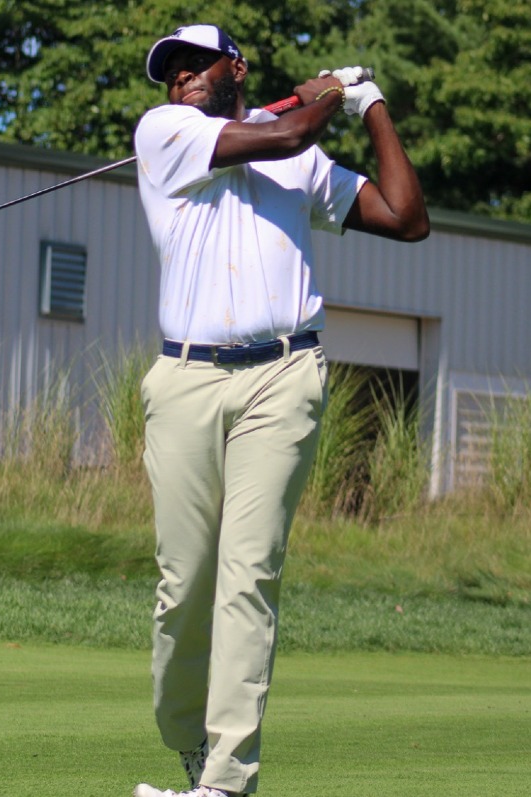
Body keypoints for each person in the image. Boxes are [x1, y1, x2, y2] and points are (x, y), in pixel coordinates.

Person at [130, 23, 429, 797]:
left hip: (283, 376)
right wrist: (327, 94)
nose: (182, 80)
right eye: (174, 72)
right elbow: (290, 127)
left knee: (247, 576)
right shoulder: (165, 131)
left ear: (236, 67)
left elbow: (405, 216)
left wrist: (372, 107)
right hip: (187, 380)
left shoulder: (300, 158)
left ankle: (226, 782)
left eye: (197, 66)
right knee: (182, 587)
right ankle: (189, 742)